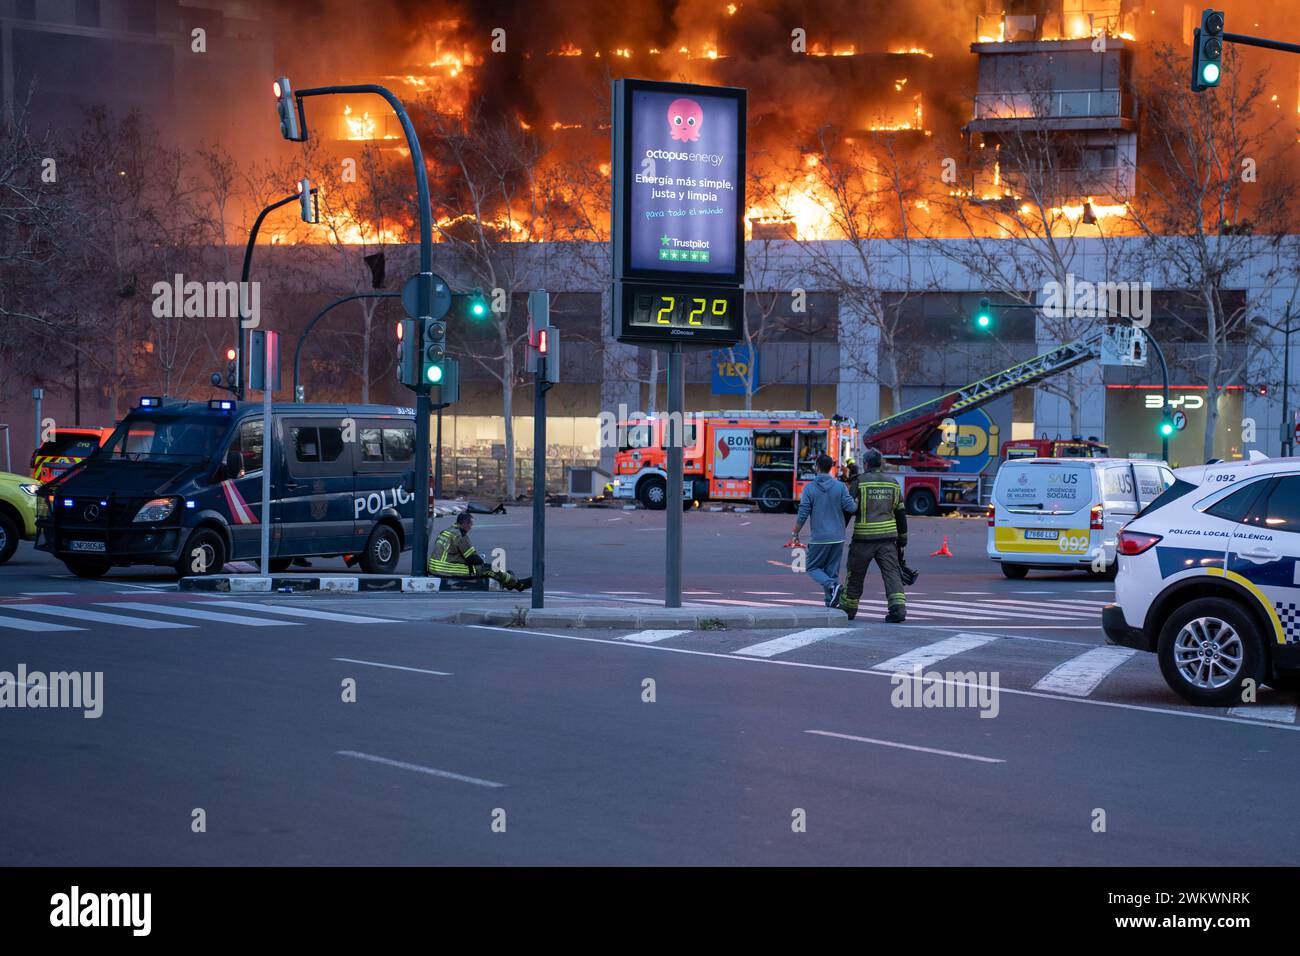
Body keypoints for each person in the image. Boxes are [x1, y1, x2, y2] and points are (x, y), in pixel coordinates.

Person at [837, 447, 908, 623]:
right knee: (892, 574)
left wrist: (840, 531)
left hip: (863, 539)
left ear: (866, 464)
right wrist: (903, 537)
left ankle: (848, 609)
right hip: (888, 540)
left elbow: (848, 509)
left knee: (855, 574)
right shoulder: (892, 482)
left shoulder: (859, 482)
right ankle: (898, 610)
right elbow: (900, 513)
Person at [791, 454, 857, 607]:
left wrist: (796, 531)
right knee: (832, 571)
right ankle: (831, 602)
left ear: (817, 467)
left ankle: (832, 587)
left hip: (820, 538)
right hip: (838, 537)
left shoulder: (810, 489)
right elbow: (852, 508)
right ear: (831, 468)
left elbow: (803, 514)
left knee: (812, 567)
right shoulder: (840, 487)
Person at [428, 512, 532, 590]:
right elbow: (472, 558)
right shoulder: (460, 535)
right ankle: (518, 584)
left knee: (484, 567)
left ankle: (508, 579)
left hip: (435, 567)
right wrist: (482, 562)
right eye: (471, 524)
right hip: (446, 568)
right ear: (465, 523)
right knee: (488, 568)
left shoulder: (447, 531)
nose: (471, 527)